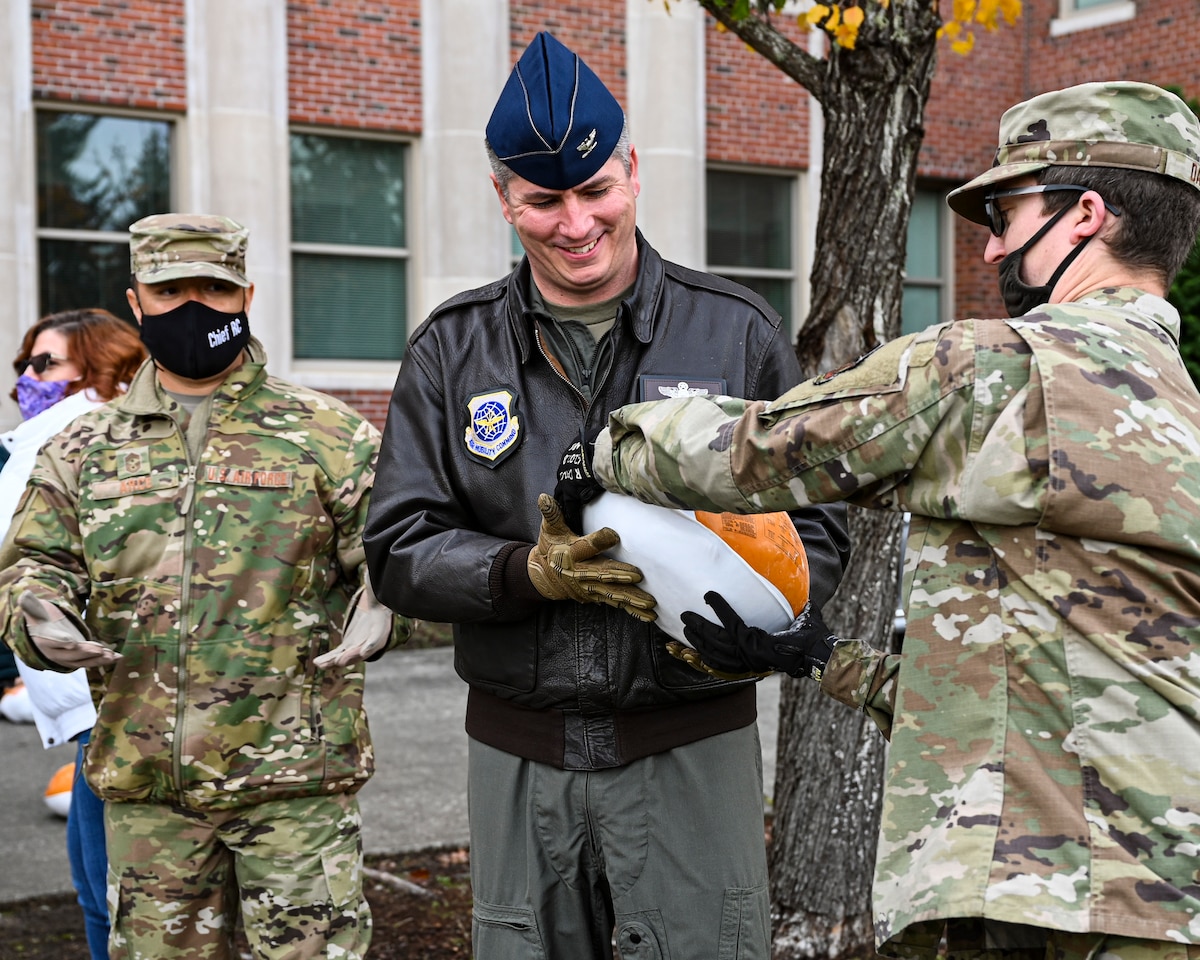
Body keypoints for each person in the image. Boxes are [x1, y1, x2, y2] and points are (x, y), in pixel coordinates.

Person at [590, 80, 1200, 959]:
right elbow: (1036, 685)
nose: (989, 248)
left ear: (1085, 215)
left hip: (1051, 908)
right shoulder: (1173, 404)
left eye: (1007, 212)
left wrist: (602, 447)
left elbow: (754, 453)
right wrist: (817, 658)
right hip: (1160, 898)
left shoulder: (995, 373)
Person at [362, 31, 851, 960]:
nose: (575, 222)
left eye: (595, 190)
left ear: (631, 169)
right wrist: (526, 573)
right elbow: (397, 546)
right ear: (503, 196)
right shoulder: (453, 348)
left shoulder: (734, 335)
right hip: (520, 758)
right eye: (543, 200)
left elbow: (817, 528)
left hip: (689, 751)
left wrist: (764, 612)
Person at [0, 213, 411, 960]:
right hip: (149, 789)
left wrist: (386, 601)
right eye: (171, 289)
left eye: (215, 289)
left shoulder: (326, 434)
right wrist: (40, 618)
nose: (195, 306)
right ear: (136, 301)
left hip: (295, 788)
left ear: (247, 292)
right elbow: (31, 566)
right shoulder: (81, 450)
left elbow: (398, 555)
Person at [0, 307, 147, 960]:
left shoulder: (94, 443)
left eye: (43, 363)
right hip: (85, 710)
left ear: (104, 365)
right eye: (21, 366)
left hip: (111, 706)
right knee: (96, 891)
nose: (23, 381)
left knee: (114, 899)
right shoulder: (35, 444)